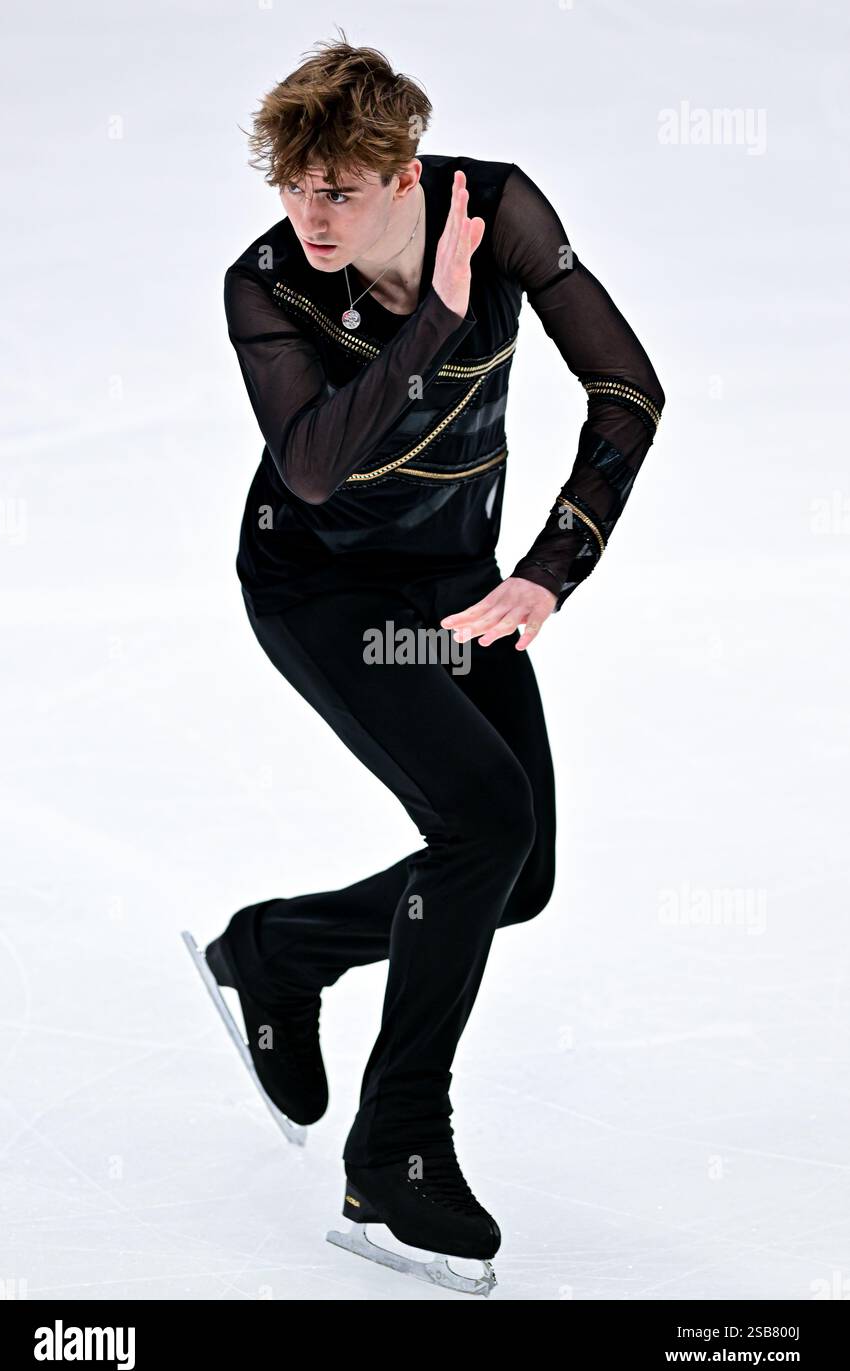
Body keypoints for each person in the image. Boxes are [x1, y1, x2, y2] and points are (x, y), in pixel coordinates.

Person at [204, 33, 665, 1295]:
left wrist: (548, 569)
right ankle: (394, 1151)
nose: (310, 213)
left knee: (514, 876)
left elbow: (626, 388)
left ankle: (278, 953)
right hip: (322, 591)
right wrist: (442, 320)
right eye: (293, 186)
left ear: (403, 173)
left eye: (338, 188)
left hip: (458, 588)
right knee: (480, 820)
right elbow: (311, 466)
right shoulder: (266, 285)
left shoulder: (497, 209)